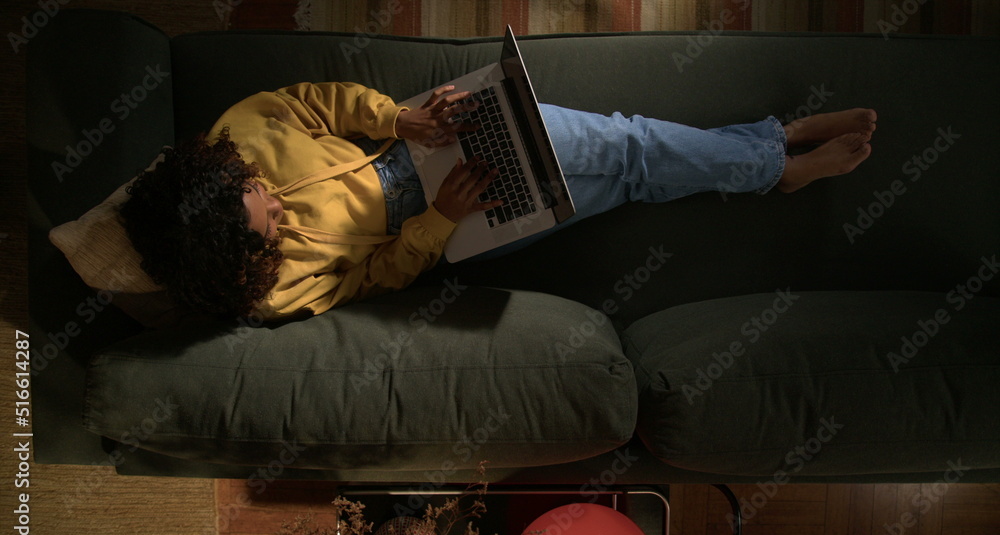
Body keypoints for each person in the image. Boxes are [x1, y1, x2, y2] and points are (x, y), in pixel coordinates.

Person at [120, 82, 875, 320]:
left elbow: (318, 104)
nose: (278, 211)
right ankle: (772, 153)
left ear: (224, 173)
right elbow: (375, 278)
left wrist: (399, 118)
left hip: (420, 142)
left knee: (629, 144)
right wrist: (439, 220)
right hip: (446, 223)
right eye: (270, 230)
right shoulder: (270, 288)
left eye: (261, 195)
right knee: (631, 174)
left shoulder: (237, 132)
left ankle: (777, 156)